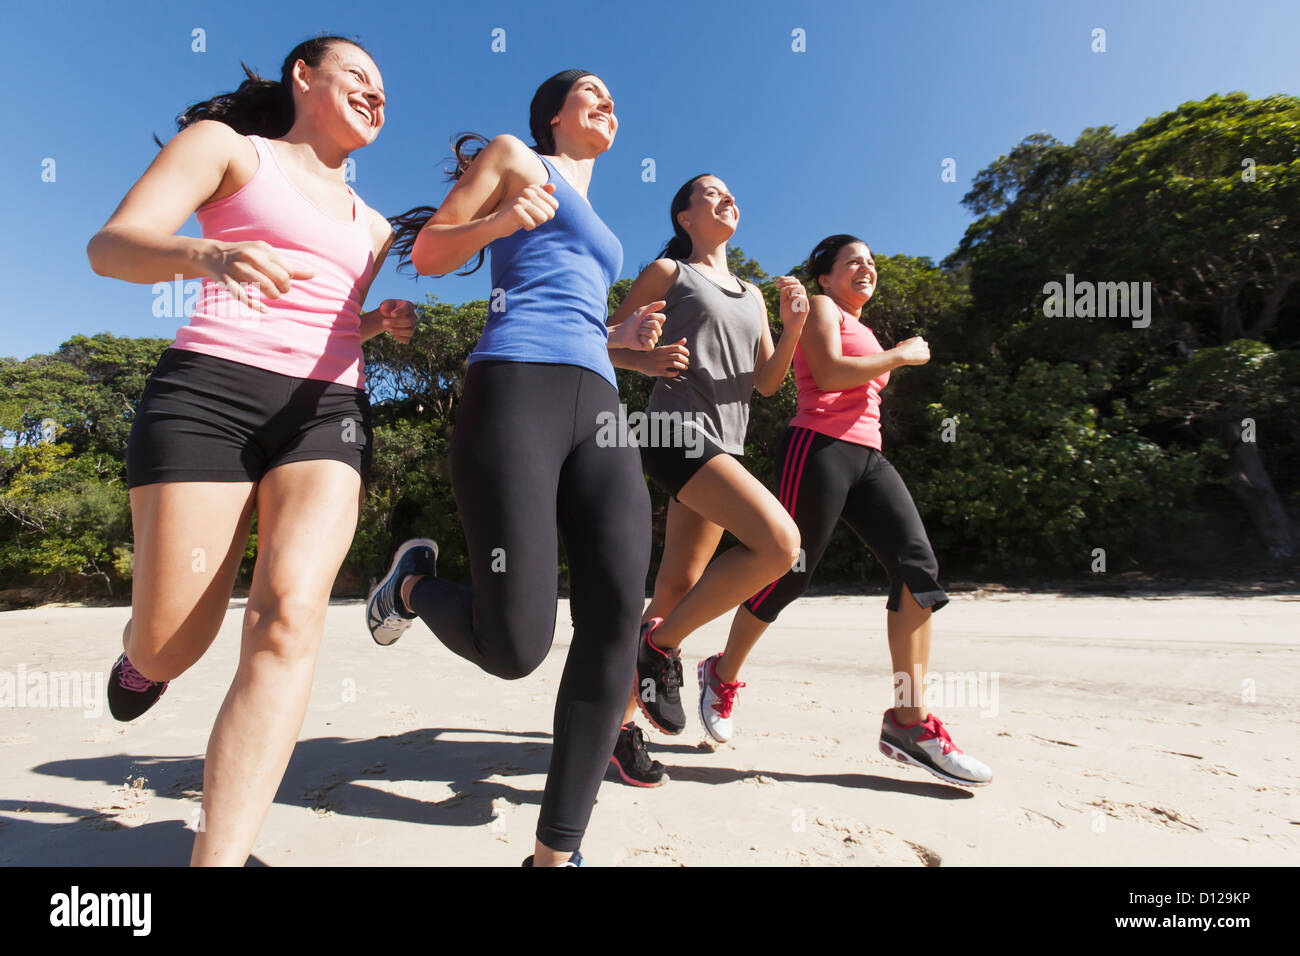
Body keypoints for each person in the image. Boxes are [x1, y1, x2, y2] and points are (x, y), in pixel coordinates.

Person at [87, 35, 417, 864]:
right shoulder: (229, 152)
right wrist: (210, 252)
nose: (377, 95)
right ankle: (142, 662)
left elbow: (332, 315)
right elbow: (112, 246)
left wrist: (375, 325)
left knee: (288, 619)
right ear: (303, 77)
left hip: (327, 411)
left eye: (385, 89)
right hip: (208, 394)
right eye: (359, 77)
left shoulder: (374, 225)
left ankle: (219, 856)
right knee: (172, 640)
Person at [370, 70, 663, 866]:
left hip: (597, 401)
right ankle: (409, 587)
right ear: (552, 116)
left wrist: (622, 339)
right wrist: (500, 215)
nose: (609, 101)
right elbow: (429, 253)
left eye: (614, 93)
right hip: (513, 390)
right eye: (591, 92)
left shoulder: (601, 220)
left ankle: (553, 855)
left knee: (615, 619)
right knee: (515, 647)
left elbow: (573, 313)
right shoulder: (514, 158)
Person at [734, 235, 994, 787]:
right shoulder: (822, 308)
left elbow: (858, 377)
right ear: (824, 277)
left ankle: (909, 721)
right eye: (853, 260)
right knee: (788, 572)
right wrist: (901, 355)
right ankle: (723, 672)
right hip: (819, 447)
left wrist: (888, 352)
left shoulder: (865, 327)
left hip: (868, 455)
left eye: (871, 261)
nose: (866, 267)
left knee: (917, 568)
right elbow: (827, 374)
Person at [604, 174, 807, 787]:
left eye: (731, 193)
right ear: (685, 217)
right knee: (780, 544)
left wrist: (793, 326)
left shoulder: (750, 294)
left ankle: (615, 731)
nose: (727, 198)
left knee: (676, 590)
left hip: (726, 445)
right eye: (710, 193)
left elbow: (767, 383)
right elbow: (600, 338)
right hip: (673, 433)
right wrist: (643, 359)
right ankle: (659, 649)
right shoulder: (671, 273)